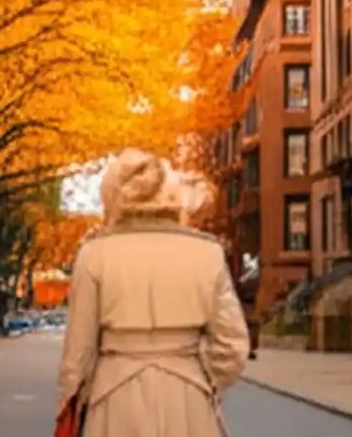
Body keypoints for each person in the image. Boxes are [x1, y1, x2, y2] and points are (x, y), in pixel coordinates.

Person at [57, 149, 250, 437]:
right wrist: (205, 380)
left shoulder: (94, 254)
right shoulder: (207, 253)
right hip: (187, 393)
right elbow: (232, 347)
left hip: (114, 395)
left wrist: (73, 398)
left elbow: (78, 353)